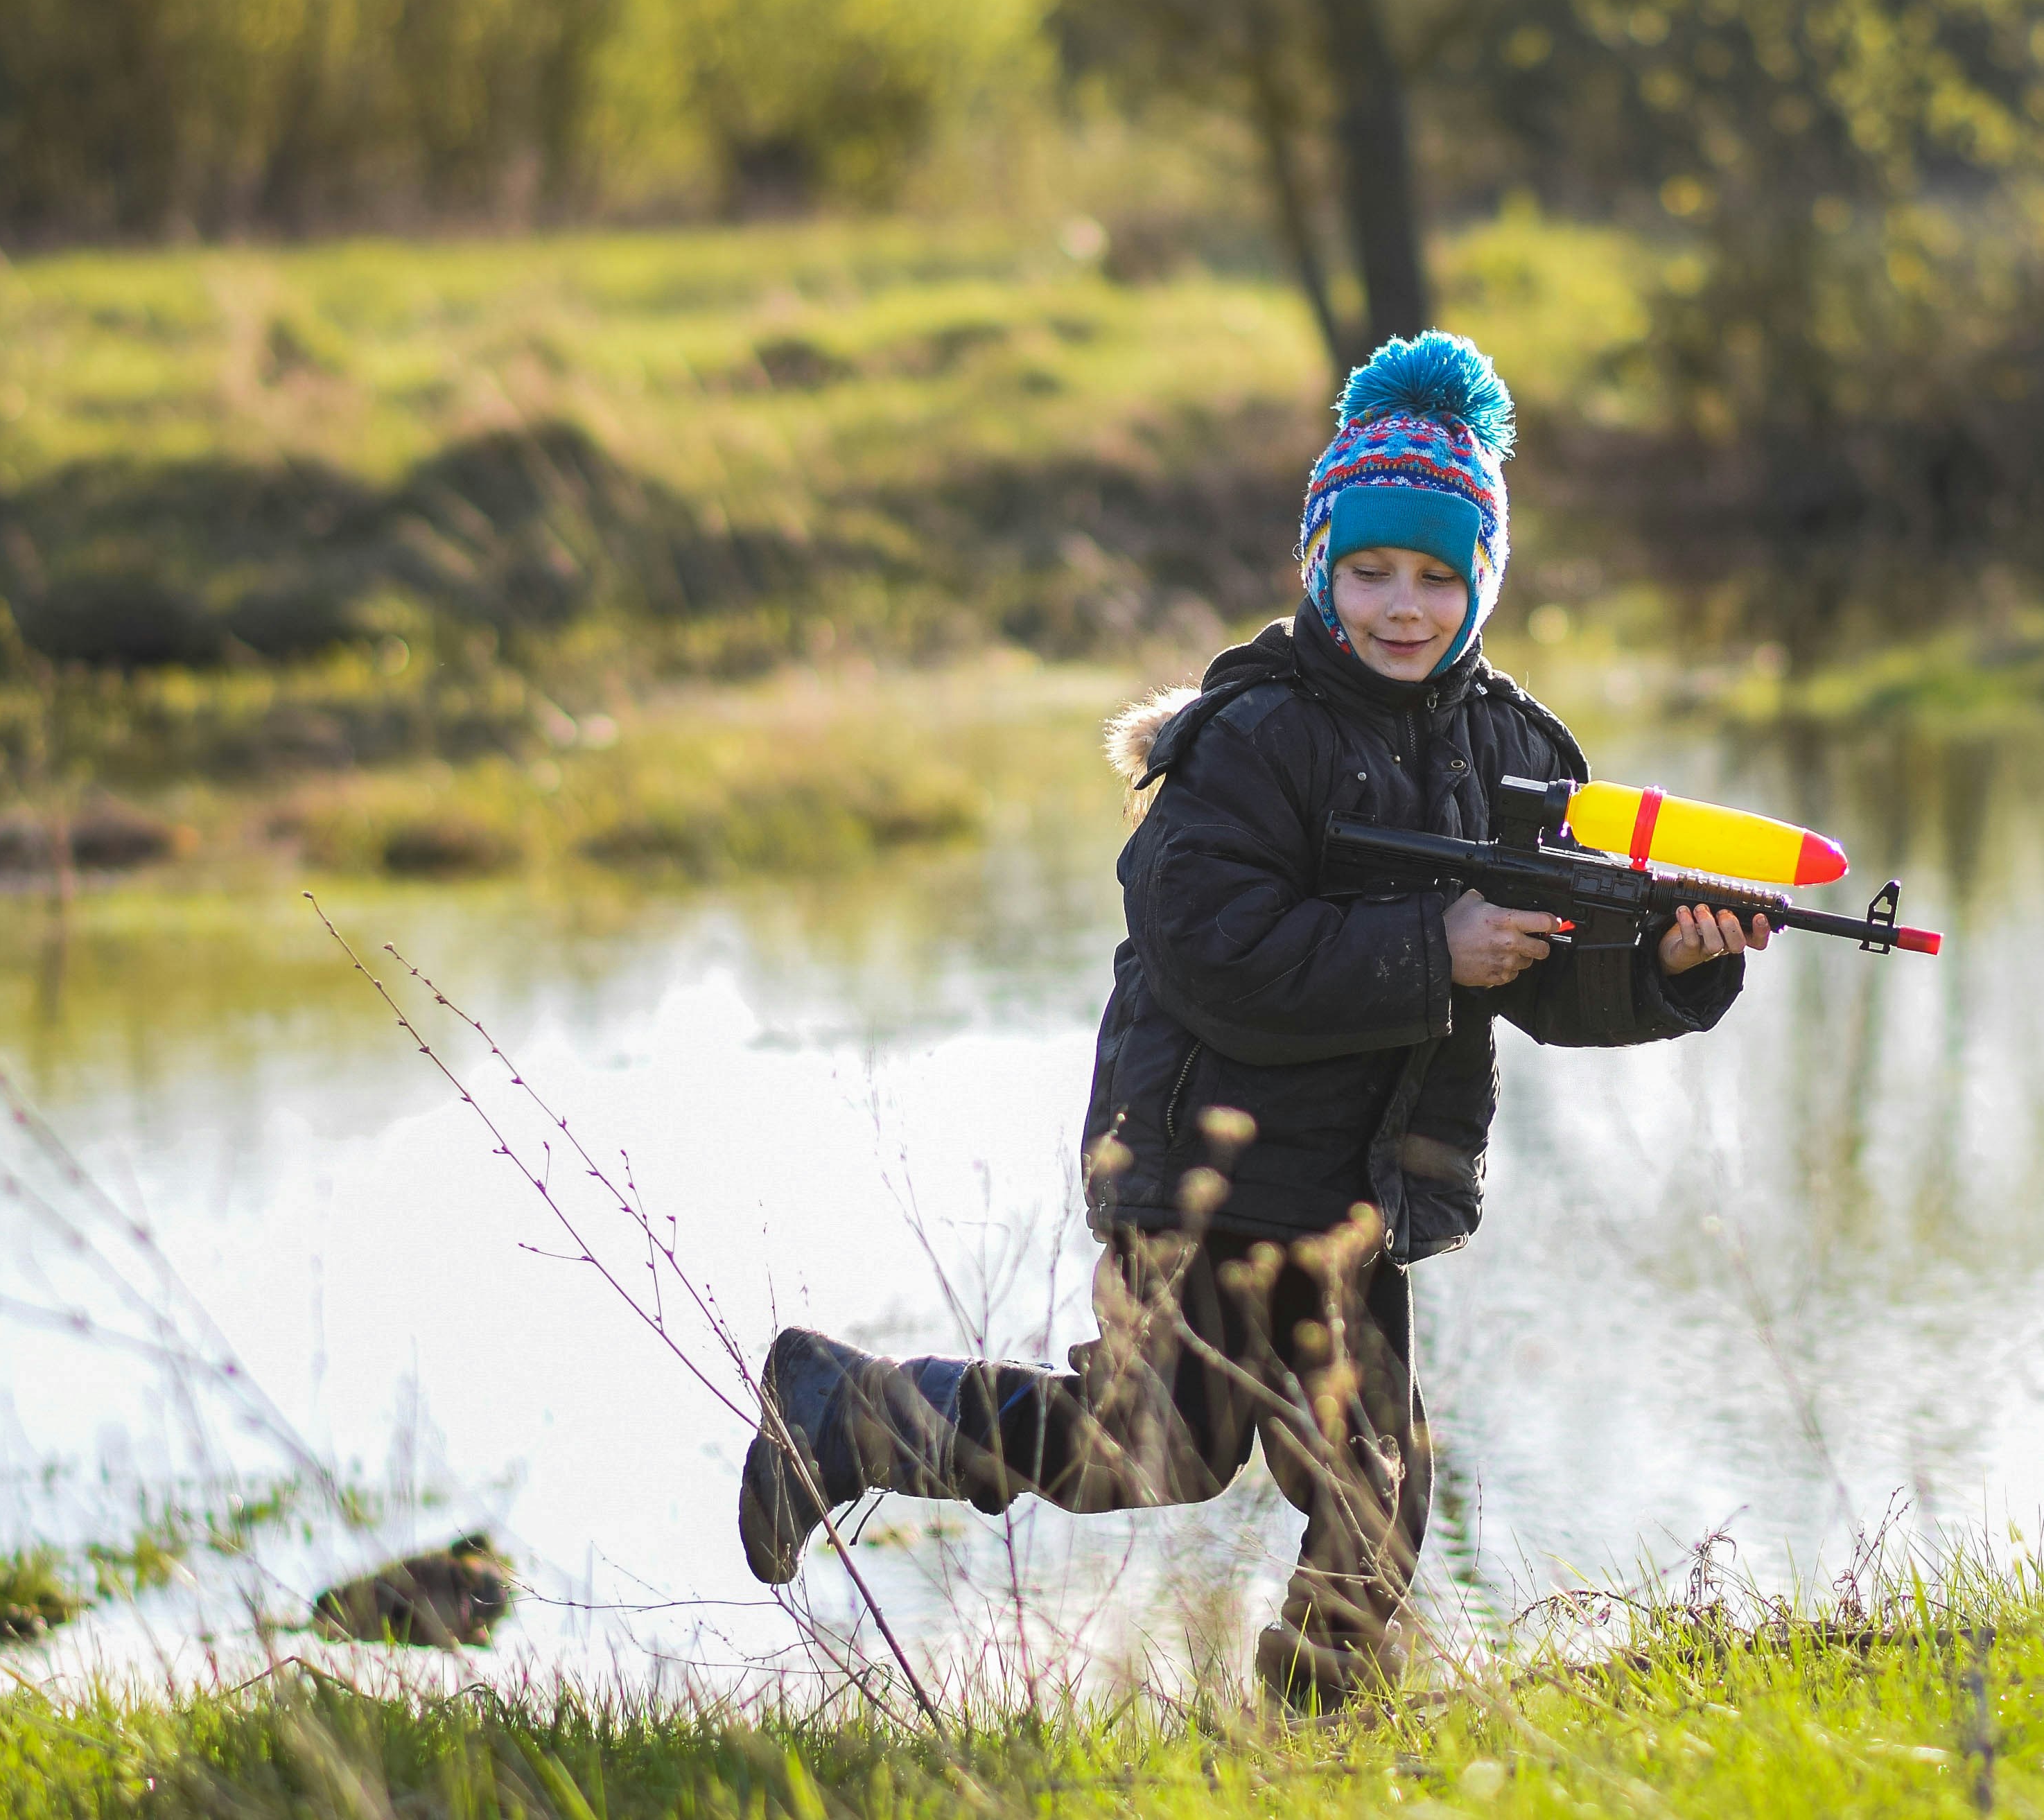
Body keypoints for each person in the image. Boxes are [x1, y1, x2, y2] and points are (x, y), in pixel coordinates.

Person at [736, 331, 1768, 1708]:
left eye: (1439, 576)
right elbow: (1215, 949)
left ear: (1485, 581)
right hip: (1206, 1169)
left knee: (1373, 1486)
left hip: (1360, 1186)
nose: (1403, 606)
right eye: (1371, 570)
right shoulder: (1251, 736)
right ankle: (848, 1413)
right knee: (1153, 1450)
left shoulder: (1513, 752)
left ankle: (1308, 1734)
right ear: (1318, 562)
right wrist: (1433, 946)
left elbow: (1541, 974)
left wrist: (1671, 967)